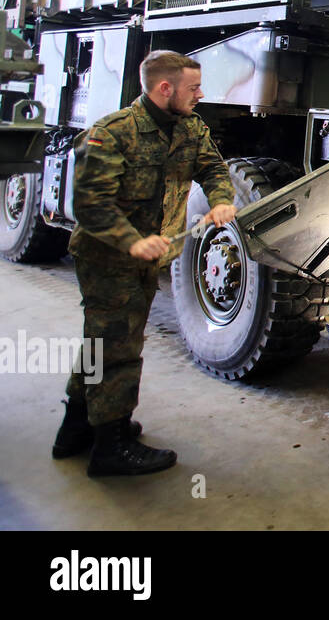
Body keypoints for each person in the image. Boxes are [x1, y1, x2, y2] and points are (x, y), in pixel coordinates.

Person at [52, 50, 236, 476]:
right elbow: (91, 205)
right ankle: (110, 447)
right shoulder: (113, 133)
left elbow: (213, 168)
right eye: (193, 88)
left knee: (103, 341)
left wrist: (223, 200)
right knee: (118, 348)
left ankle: (76, 428)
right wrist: (132, 242)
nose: (201, 94)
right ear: (164, 88)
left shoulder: (189, 128)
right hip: (107, 258)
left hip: (144, 260)